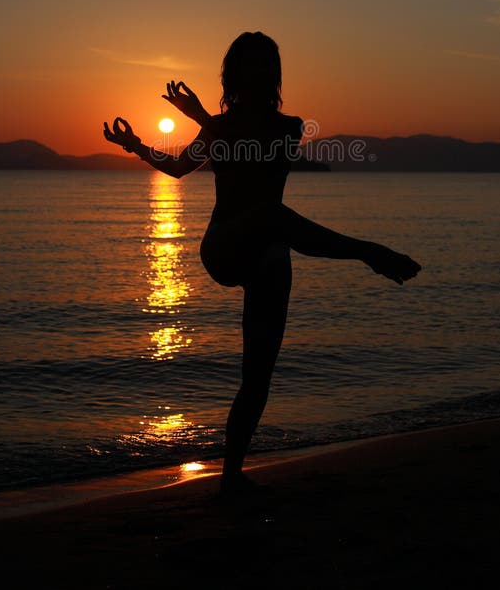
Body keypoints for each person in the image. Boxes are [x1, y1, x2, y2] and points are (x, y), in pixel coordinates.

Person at [104, 31, 421, 495]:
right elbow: (178, 169)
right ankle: (368, 251)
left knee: (258, 372)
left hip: (269, 251)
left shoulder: (286, 127)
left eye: (257, 68)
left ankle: (231, 475)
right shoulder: (221, 125)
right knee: (272, 218)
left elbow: (251, 164)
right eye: (245, 67)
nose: (250, 76)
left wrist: (202, 118)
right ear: (237, 75)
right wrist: (135, 144)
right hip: (224, 247)